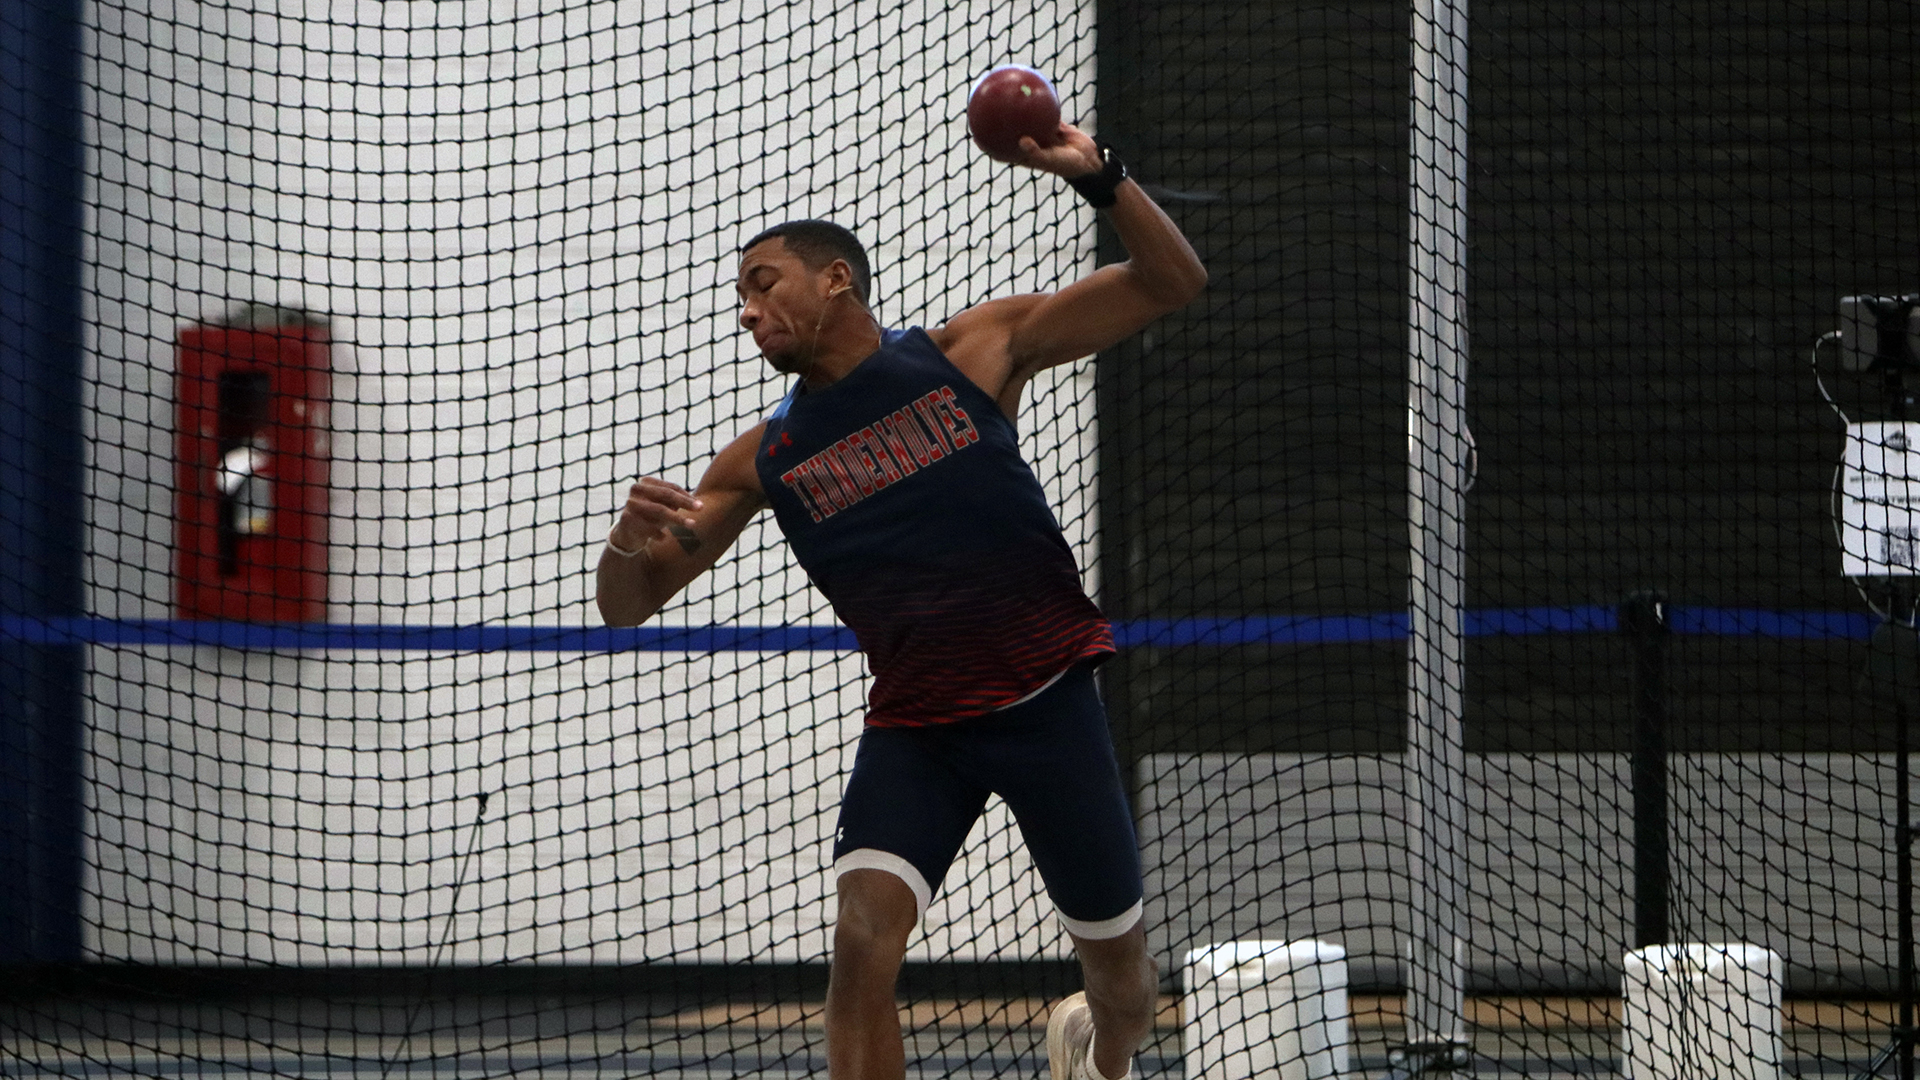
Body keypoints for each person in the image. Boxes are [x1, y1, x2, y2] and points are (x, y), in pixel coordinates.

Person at [596, 120, 1205, 1080]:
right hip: (921, 728)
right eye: (738, 300)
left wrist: (1102, 177)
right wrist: (627, 536)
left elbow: (1174, 284)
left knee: (1126, 986)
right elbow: (627, 606)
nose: (747, 311)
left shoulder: (973, 352)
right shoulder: (763, 459)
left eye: (763, 284)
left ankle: (1094, 1044)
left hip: (1050, 706)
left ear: (836, 278)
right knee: (861, 943)